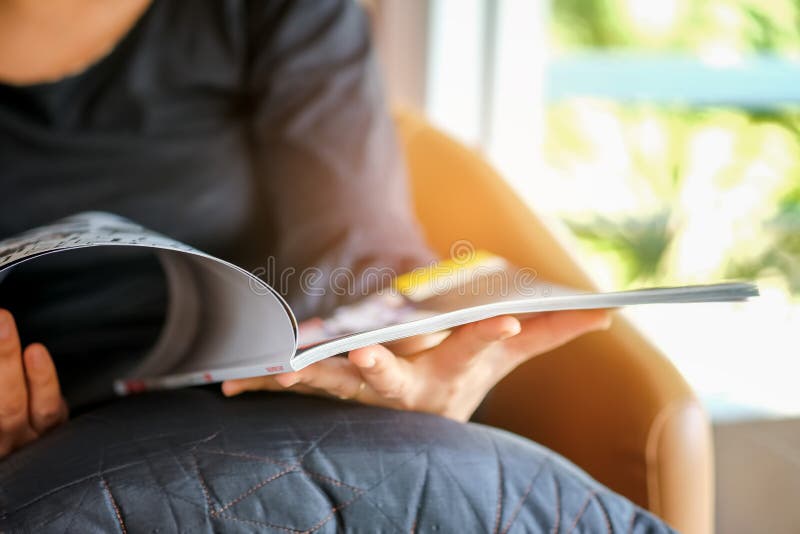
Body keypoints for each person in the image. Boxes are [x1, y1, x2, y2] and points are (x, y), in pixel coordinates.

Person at [0, 2, 679, 533]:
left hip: (285, 410)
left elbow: (367, 254)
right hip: (45, 460)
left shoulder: (273, 11)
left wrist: (417, 364)